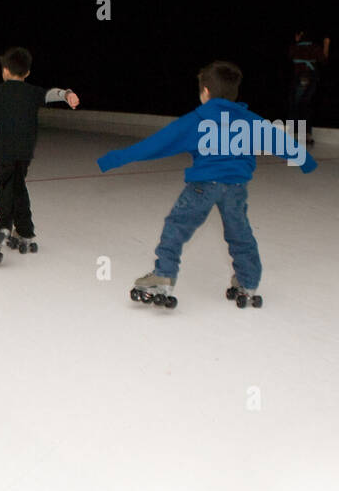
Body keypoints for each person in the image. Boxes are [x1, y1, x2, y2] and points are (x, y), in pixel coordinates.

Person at [96, 60, 318, 306]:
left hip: (202, 186)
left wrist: (115, 159)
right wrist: (306, 161)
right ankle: (248, 281)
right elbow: (281, 142)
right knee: (239, 234)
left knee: (177, 226)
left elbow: (157, 144)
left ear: (206, 91)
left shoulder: (197, 119)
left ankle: (164, 274)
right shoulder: (250, 120)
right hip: (236, 188)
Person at [0, 47, 78, 255]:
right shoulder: (33, 92)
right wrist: (66, 94)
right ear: (27, 73)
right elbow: (50, 95)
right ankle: (25, 232)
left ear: (5, 70)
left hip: (4, 151)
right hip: (25, 153)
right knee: (18, 188)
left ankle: (2, 228)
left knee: (0, 188)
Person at [288, 29, 329, 145]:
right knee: (305, 105)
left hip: (301, 77)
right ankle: (306, 134)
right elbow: (324, 60)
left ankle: (295, 134)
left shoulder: (294, 48)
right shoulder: (314, 48)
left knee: (296, 104)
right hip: (310, 77)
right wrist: (326, 45)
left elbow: (290, 57)